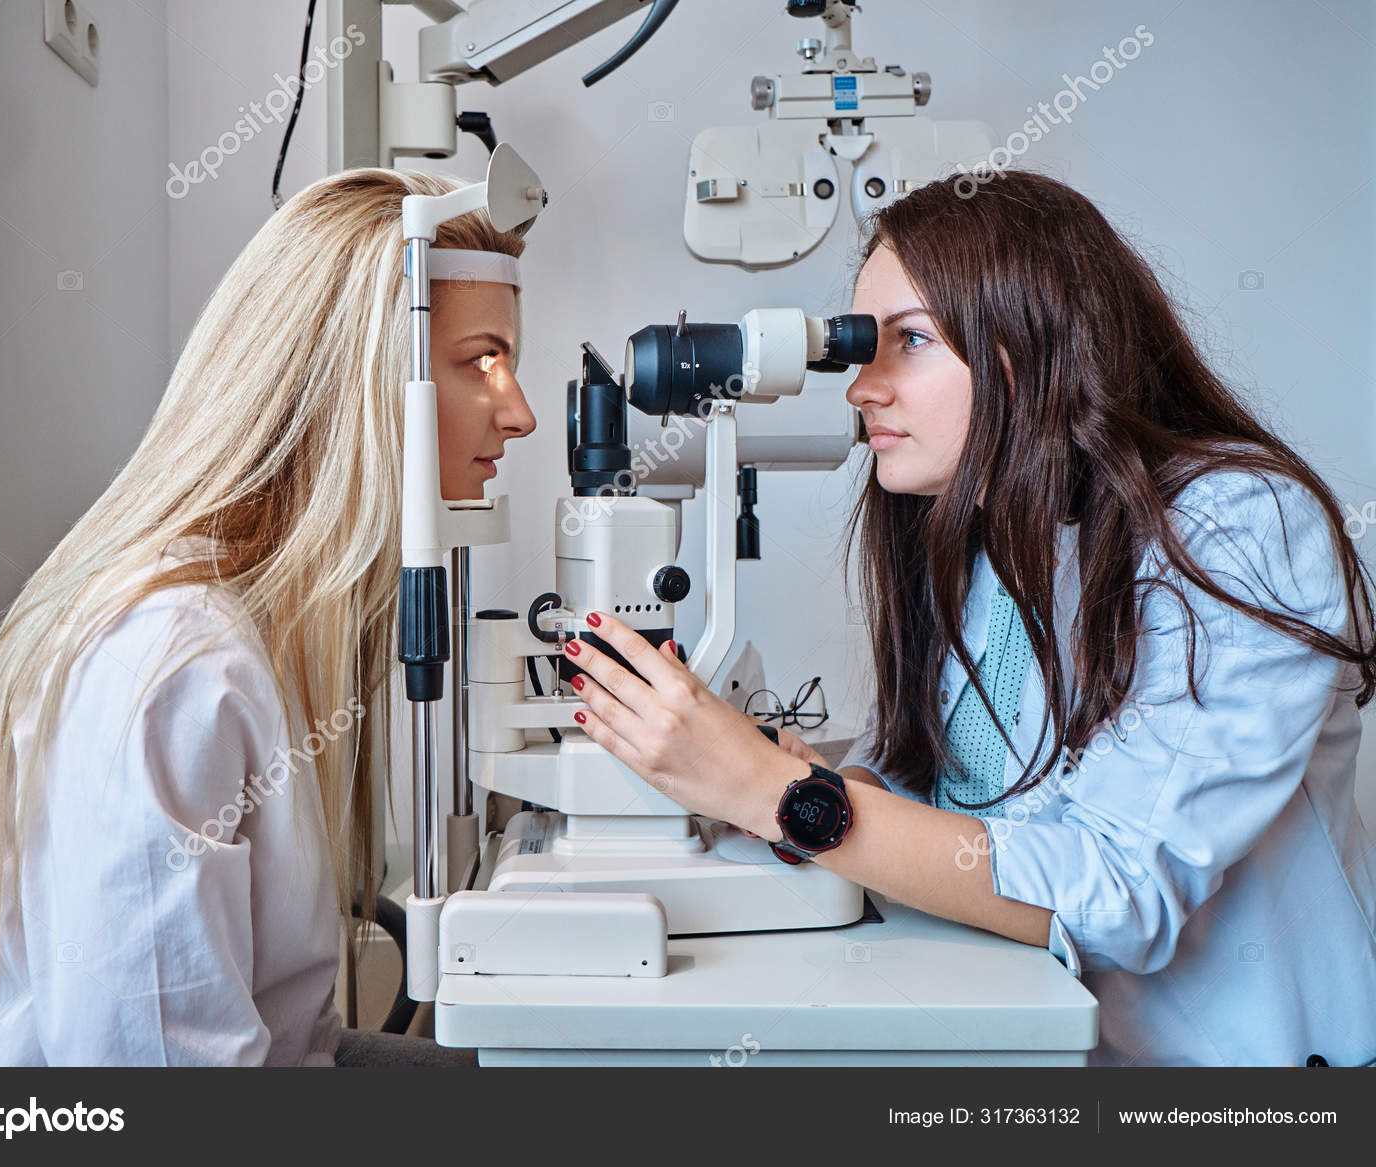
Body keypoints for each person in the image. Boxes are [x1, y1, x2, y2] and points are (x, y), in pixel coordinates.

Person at [564, 169, 1376, 1066]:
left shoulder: (1236, 525)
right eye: (864, 347)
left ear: (1036, 342)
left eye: (909, 341)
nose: (861, 388)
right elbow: (953, 801)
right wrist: (808, 790)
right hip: (1041, 1047)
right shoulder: (984, 528)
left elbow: (1117, 892)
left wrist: (782, 797)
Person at [0, 167, 536, 1066]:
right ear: (358, 381)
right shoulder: (173, 665)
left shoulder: (271, 623)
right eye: (481, 363)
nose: (522, 413)